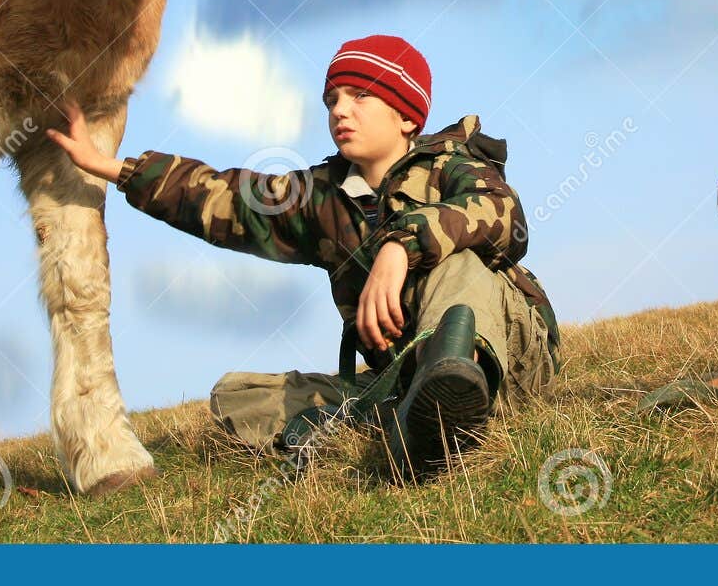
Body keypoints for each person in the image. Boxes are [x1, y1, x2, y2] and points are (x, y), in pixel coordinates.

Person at [46, 34, 560, 478]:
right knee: (238, 396)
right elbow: (225, 198)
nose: (339, 110)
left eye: (359, 96)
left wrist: (399, 249)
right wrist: (113, 167)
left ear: (406, 115)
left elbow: (502, 216)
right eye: (332, 99)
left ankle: (452, 386)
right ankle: (408, 416)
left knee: (457, 260)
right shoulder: (322, 197)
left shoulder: (453, 163)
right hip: (403, 372)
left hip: (510, 359)